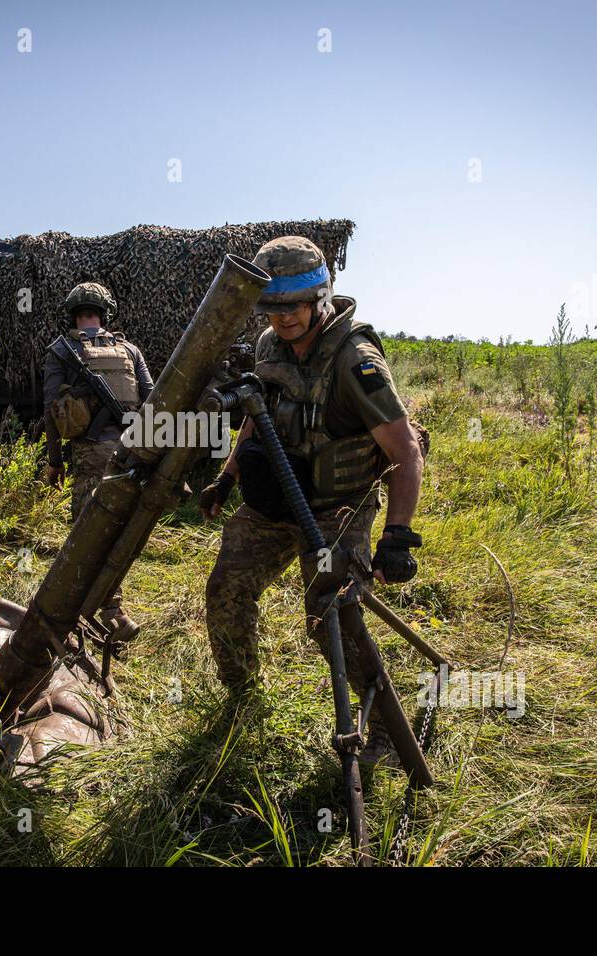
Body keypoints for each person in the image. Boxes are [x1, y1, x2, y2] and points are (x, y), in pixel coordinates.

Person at [199, 237, 426, 766]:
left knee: (333, 618)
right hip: (276, 499)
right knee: (226, 590)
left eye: (294, 307)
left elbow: (405, 448)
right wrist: (228, 476)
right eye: (271, 309)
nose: (282, 320)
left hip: (336, 507)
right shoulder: (268, 347)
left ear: (321, 296)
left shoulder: (355, 359)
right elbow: (259, 417)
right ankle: (242, 698)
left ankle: (388, 735)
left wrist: (398, 537)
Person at [41, 281, 153, 643]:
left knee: (87, 534)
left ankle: (95, 612)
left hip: (91, 454)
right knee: (122, 532)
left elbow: (51, 412)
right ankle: (110, 608)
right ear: (104, 313)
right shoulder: (129, 350)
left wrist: (55, 462)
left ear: (74, 313)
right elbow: (153, 398)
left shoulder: (61, 350)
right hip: (132, 451)